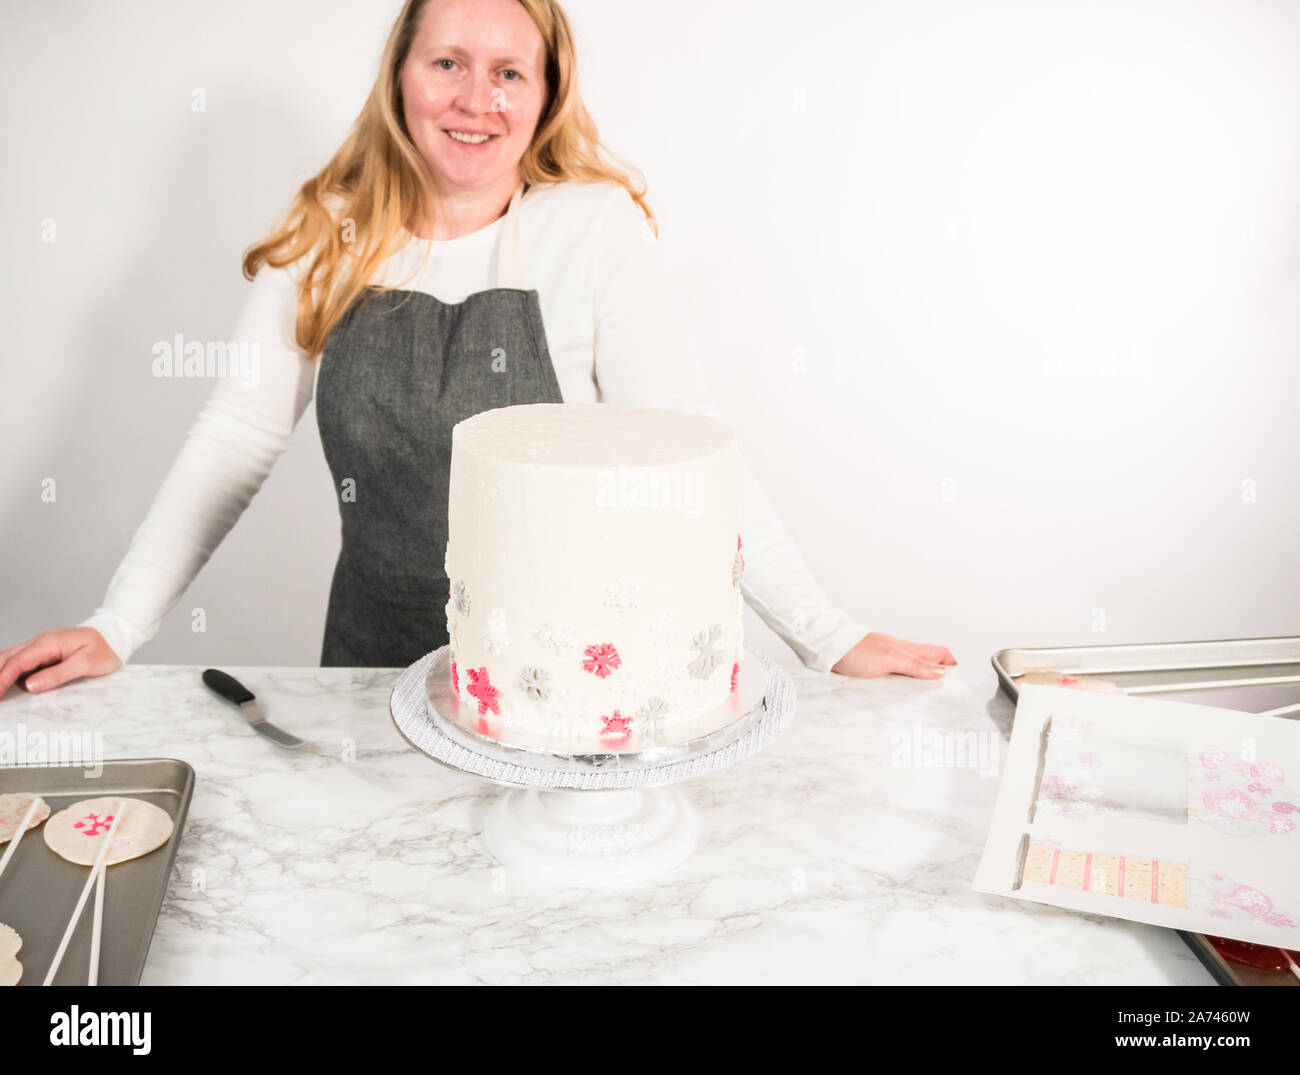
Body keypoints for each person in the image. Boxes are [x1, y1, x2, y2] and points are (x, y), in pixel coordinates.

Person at [0, 0, 955, 698]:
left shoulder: (591, 230)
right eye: (446, 63)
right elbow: (239, 433)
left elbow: (691, 451)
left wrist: (828, 636)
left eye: (509, 72)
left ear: (544, 96)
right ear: (399, 80)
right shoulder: (327, 233)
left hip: (571, 671)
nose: (476, 99)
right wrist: (116, 627)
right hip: (373, 672)